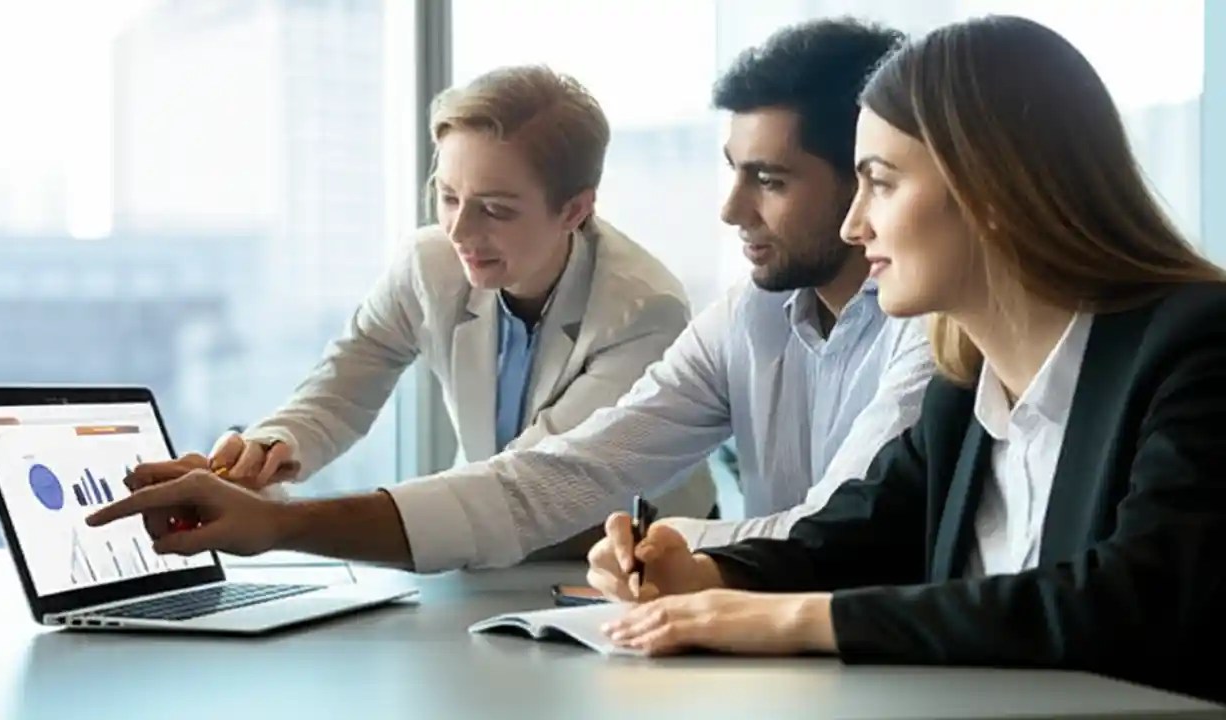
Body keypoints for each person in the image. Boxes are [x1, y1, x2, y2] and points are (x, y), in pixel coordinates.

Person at [86, 19, 936, 572]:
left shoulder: (654, 307)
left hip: (670, 578)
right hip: (686, 591)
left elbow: (830, 535)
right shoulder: (750, 315)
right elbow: (547, 474)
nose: (729, 210)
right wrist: (273, 475)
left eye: (771, 180)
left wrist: (663, 541)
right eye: (447, 196)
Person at [585, 15, 1226, 704]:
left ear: (989, 192)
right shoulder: (966, 392)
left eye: (880, 183)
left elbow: (1137, 603)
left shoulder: (1199, 349)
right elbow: (853, 539)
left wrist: (792, 619)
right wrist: (706, 575)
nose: (853, 225)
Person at [171, 64, 719, 553]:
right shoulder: (427, 264)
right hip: (483, 538)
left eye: (495, 210)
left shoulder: (646, 311)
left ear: (574, 209)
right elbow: (341, 388)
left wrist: (281, 522)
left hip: (629, 555)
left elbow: (532, 483)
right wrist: (270, 450)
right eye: (449, 196)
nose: (459, 231)